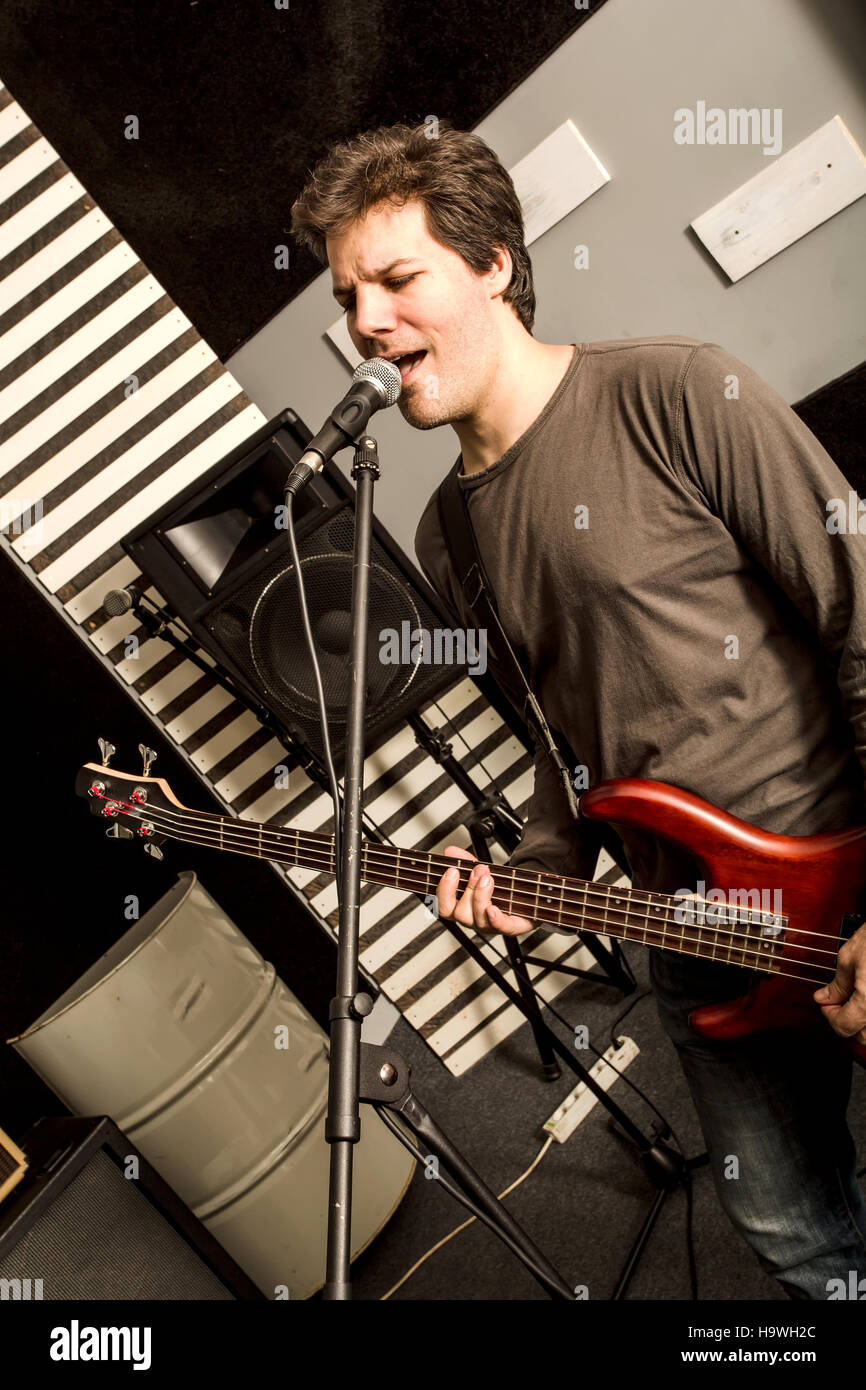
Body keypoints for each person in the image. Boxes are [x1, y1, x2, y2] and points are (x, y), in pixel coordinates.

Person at [291, 120, 866, 1299]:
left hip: (845, 878)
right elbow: (571, 757)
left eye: (398, 280)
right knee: (791, 1228)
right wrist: (530, 863)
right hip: (699, 941)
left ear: (495, 261)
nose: (366, 323)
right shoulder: (445, 538)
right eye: (350, 296)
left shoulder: (673, 389)